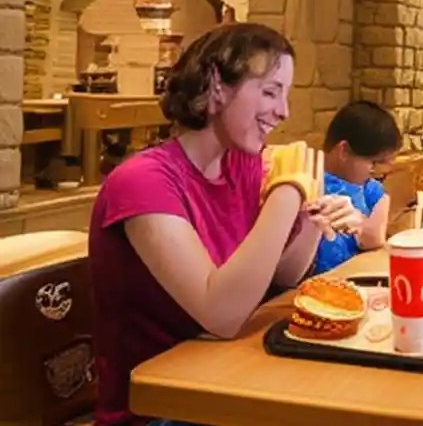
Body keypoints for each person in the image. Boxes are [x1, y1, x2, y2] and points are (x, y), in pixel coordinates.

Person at [87, 23, 361, 426]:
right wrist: (287, 193)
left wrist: (311, 218)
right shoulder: (142, 182)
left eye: (285, 94)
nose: (283, 111)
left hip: (230, 379)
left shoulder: (243, 165)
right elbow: (221, 315)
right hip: (160, 410)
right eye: (270, 91)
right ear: (216, 85)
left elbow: (286, 274)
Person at [312, 100, 403, 274]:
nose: (377, 171)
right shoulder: (307, 182)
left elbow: (376, 237)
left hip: (356, 280)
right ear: (344, 151)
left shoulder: (370, 189)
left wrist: (361, 224)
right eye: (373, 162)